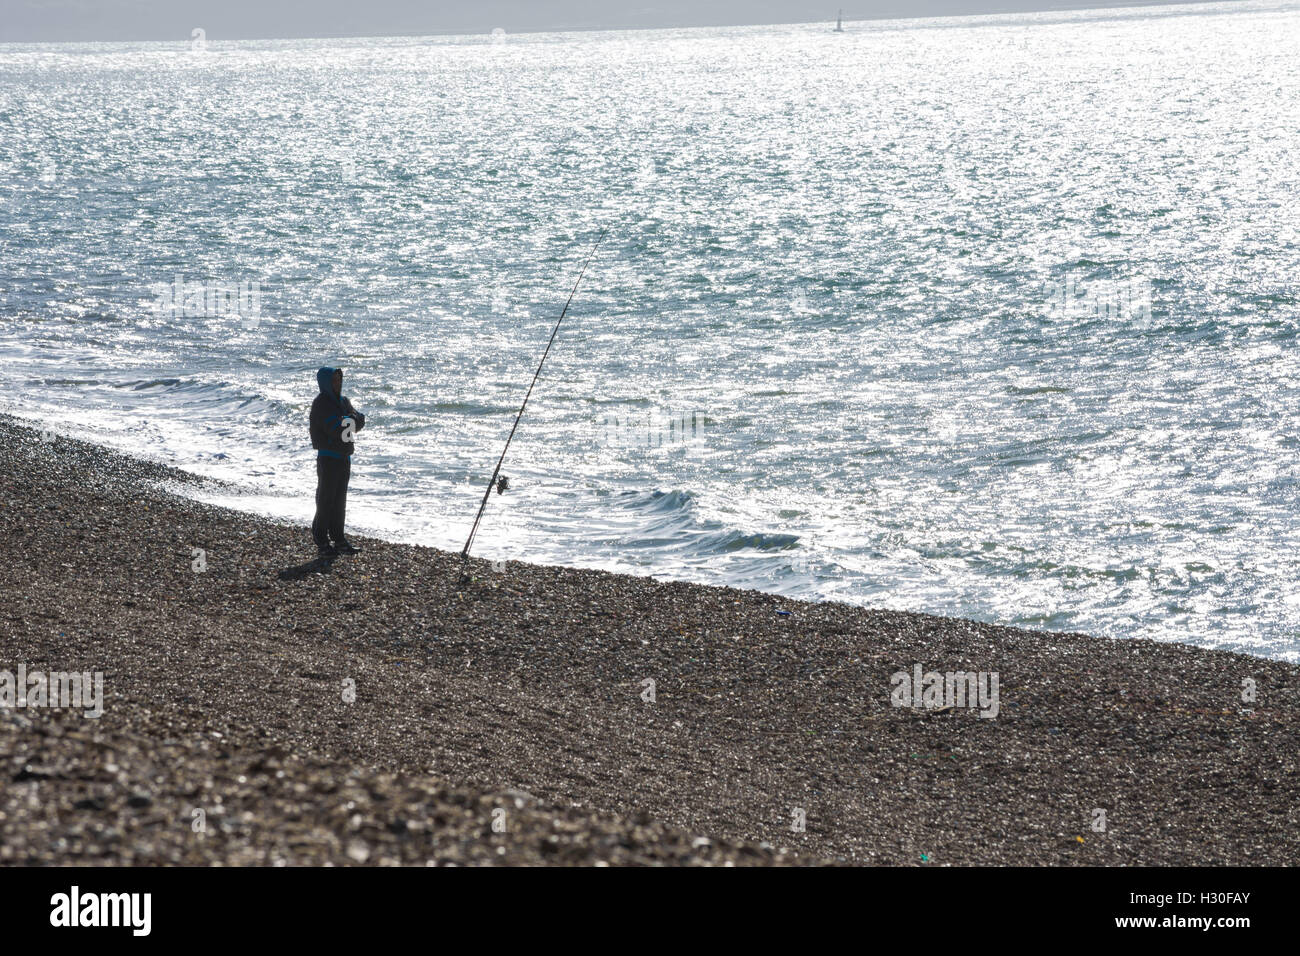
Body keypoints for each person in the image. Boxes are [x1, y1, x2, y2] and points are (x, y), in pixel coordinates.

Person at [309, 366, 365, 556]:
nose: (337, 383)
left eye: (339, 379)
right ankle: (320, 538)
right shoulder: (321, 403)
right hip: (327, 457)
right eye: (333, 380)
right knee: (325, 500)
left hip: (344, 456)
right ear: (325, 382)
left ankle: (338, 538)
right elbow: (334, 428)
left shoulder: (343, 401)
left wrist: (348, 420)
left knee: (340, 501)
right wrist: (350, 420)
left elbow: (360, 420)